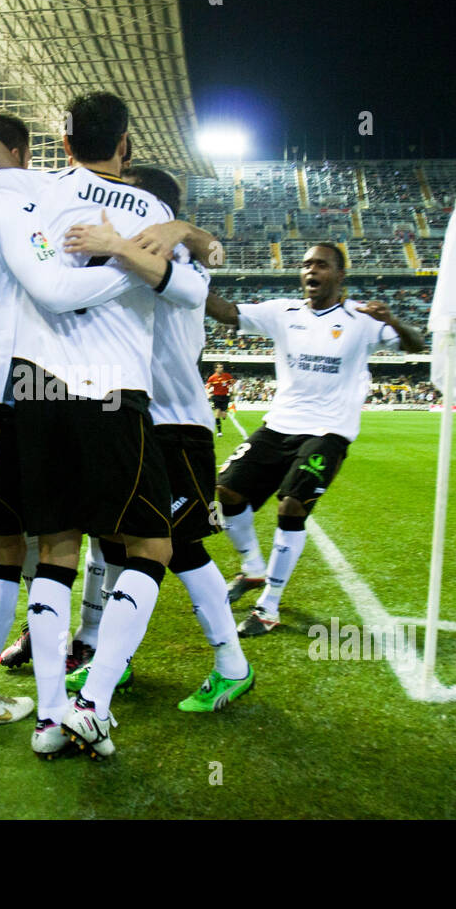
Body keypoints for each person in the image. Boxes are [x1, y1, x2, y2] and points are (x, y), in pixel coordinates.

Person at [0, 94, 209, 760]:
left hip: (36, 389)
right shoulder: (146, 208)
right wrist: (142, 254)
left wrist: (2, 169)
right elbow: (192, 291)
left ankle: (52, 717)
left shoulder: (33, 186)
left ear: (64, 138)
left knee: (55, 547)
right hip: (110, 390)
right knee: (151, 547)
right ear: (127, 142)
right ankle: (92, 701)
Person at [61, 164, 255, 712]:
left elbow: (210, 258)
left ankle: (232, 665)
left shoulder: (171, 253)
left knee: (179, 546)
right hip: (136, 421)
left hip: (177, 425)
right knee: (123, 541)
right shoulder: (142, 249)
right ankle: (112, 663)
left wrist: (182, 229)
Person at [205, 242, 424, 636]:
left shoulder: (361, 318)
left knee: (291, 506)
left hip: (329, 429)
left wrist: (392, 322)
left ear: (340, 275)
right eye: (306, 265)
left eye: (321, 265)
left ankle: (268, 606)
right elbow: (226, 311)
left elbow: (416, 345)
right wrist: (180, 281)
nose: (311, 271)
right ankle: (253, 570)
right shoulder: (281, 312)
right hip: (279, 425)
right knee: (227, 491)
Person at [205, 362, 236, 436]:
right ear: (215, 369)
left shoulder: (227, 376)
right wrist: (208, 394)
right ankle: (219, 432)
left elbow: (232, 384)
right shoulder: (212, 378)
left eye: (221, 367)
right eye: (218, 367)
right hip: (216, 397)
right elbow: (207, 387)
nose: (220, 368)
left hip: (225, 397)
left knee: (224, 415)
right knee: (217, 414)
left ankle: (224, 413)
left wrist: (233, 394)